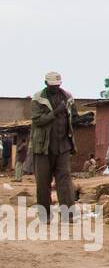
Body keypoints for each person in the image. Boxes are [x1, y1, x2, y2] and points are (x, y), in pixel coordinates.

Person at [29, 71, 78, 220]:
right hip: (43, 147)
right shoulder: (38, 98)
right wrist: (55, 113)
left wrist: (79, 118)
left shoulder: (68, 97)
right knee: (43, 182)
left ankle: (68, 215)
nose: (56, 88)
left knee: (64, 181)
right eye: (52, 86)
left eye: (58, 85)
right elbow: (37, 121)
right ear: (46, 84)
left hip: (63, 146)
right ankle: (45, 215)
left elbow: (73, 116)